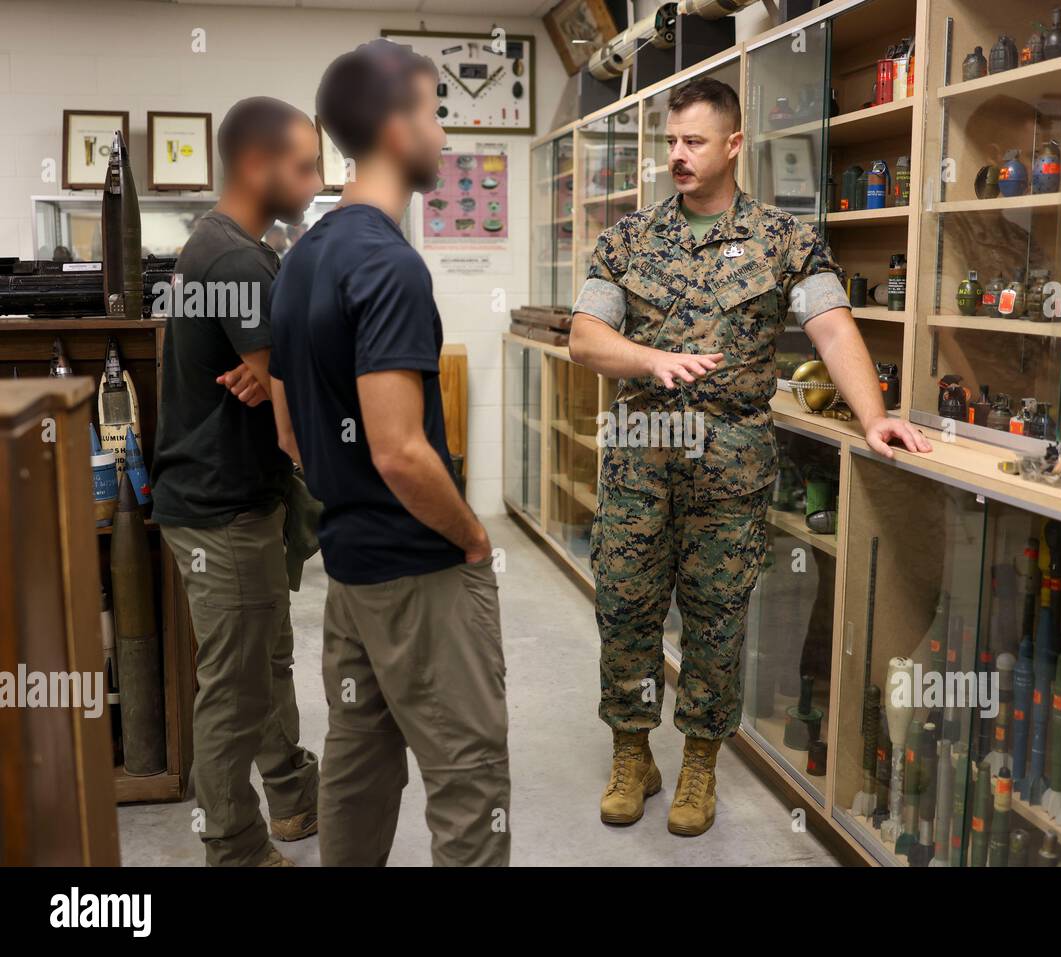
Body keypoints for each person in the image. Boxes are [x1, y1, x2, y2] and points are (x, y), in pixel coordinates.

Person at [569, 77, 933, 837]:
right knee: (625, 608)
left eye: (694, 141)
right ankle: (632, 751)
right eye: (671, 141)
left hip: (732, 462)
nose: (678, 155)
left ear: (735, 145)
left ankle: (700, 760)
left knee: (717, 616)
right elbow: (585, 339)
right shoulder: (628, 239)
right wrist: (648, 360)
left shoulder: (785, 241)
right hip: (641, 454)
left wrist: (874, 419)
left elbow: (832, 328)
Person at [269, 39, 510, 867]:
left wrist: (351, 498)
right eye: (435, 112)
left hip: (351, 566)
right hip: (419, 569)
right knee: (470, 779)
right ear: (397, 125)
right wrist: (473, 539)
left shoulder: (301, 257)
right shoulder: (389, 264)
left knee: (360, 761)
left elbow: (291, 429)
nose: (443, 134)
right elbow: (402, 450)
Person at [150, 96, 324, 867]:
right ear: (258, 166)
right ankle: (236, 847)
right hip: (221, 514)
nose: (317, 181)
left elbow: (278, 370)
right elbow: (297, 422)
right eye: (305, 165)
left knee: (264, 662)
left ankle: (289, 795)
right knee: (235, 688)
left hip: (230, 502)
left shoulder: (226, 247)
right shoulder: (238, 259)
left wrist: (276, 374)